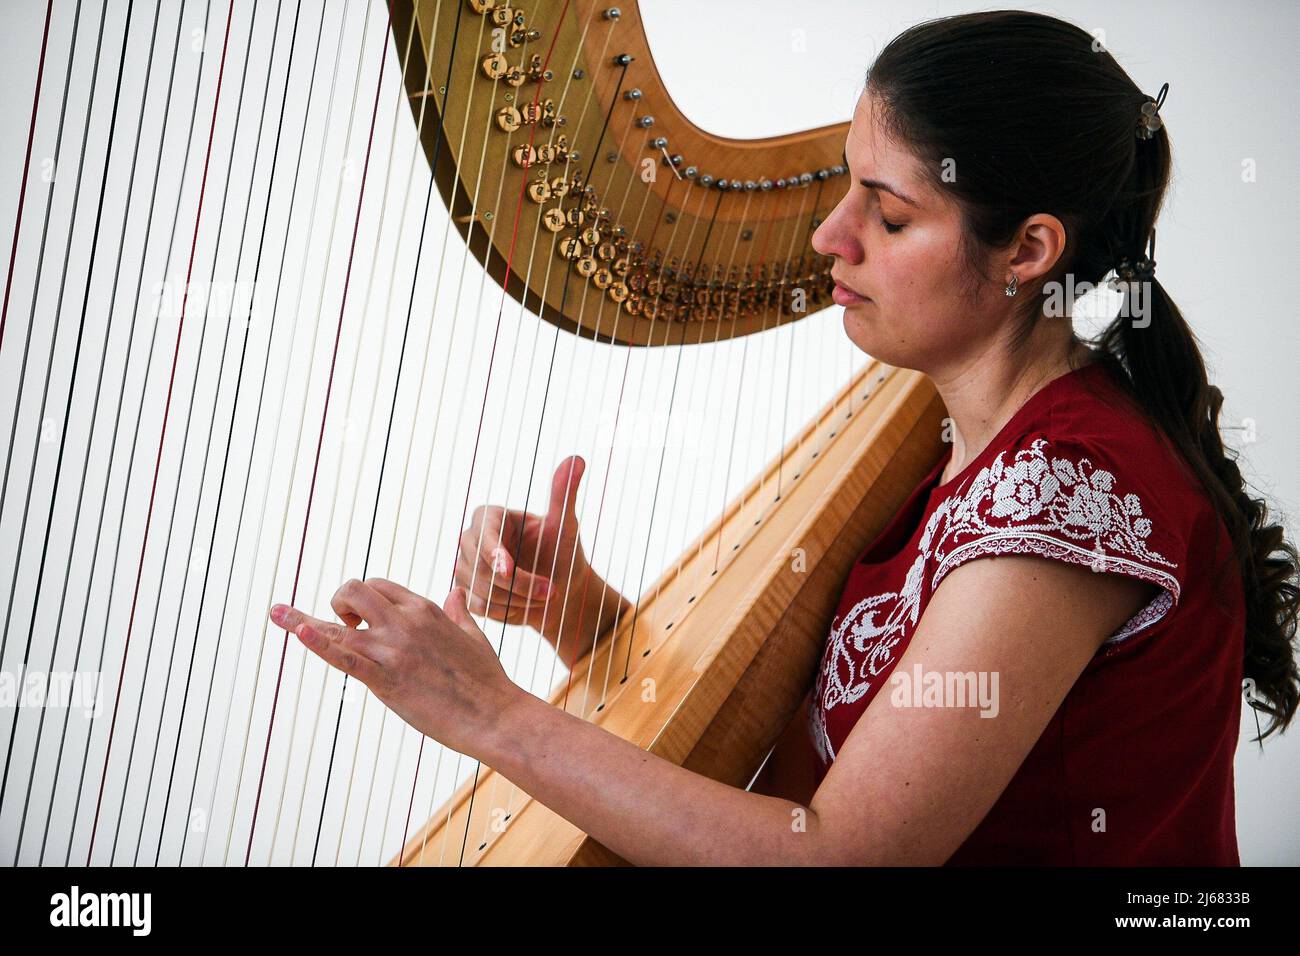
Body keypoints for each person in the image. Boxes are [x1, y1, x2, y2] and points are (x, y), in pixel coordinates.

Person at [268, 10, 1298, 865]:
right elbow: (819, 732)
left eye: (888, 216)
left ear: (1028, 251)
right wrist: (580, 614)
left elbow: (837, 854)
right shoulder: (964, 440)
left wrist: (491, 714)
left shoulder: (1060, 496)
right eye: (844, 186)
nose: (827, 236)